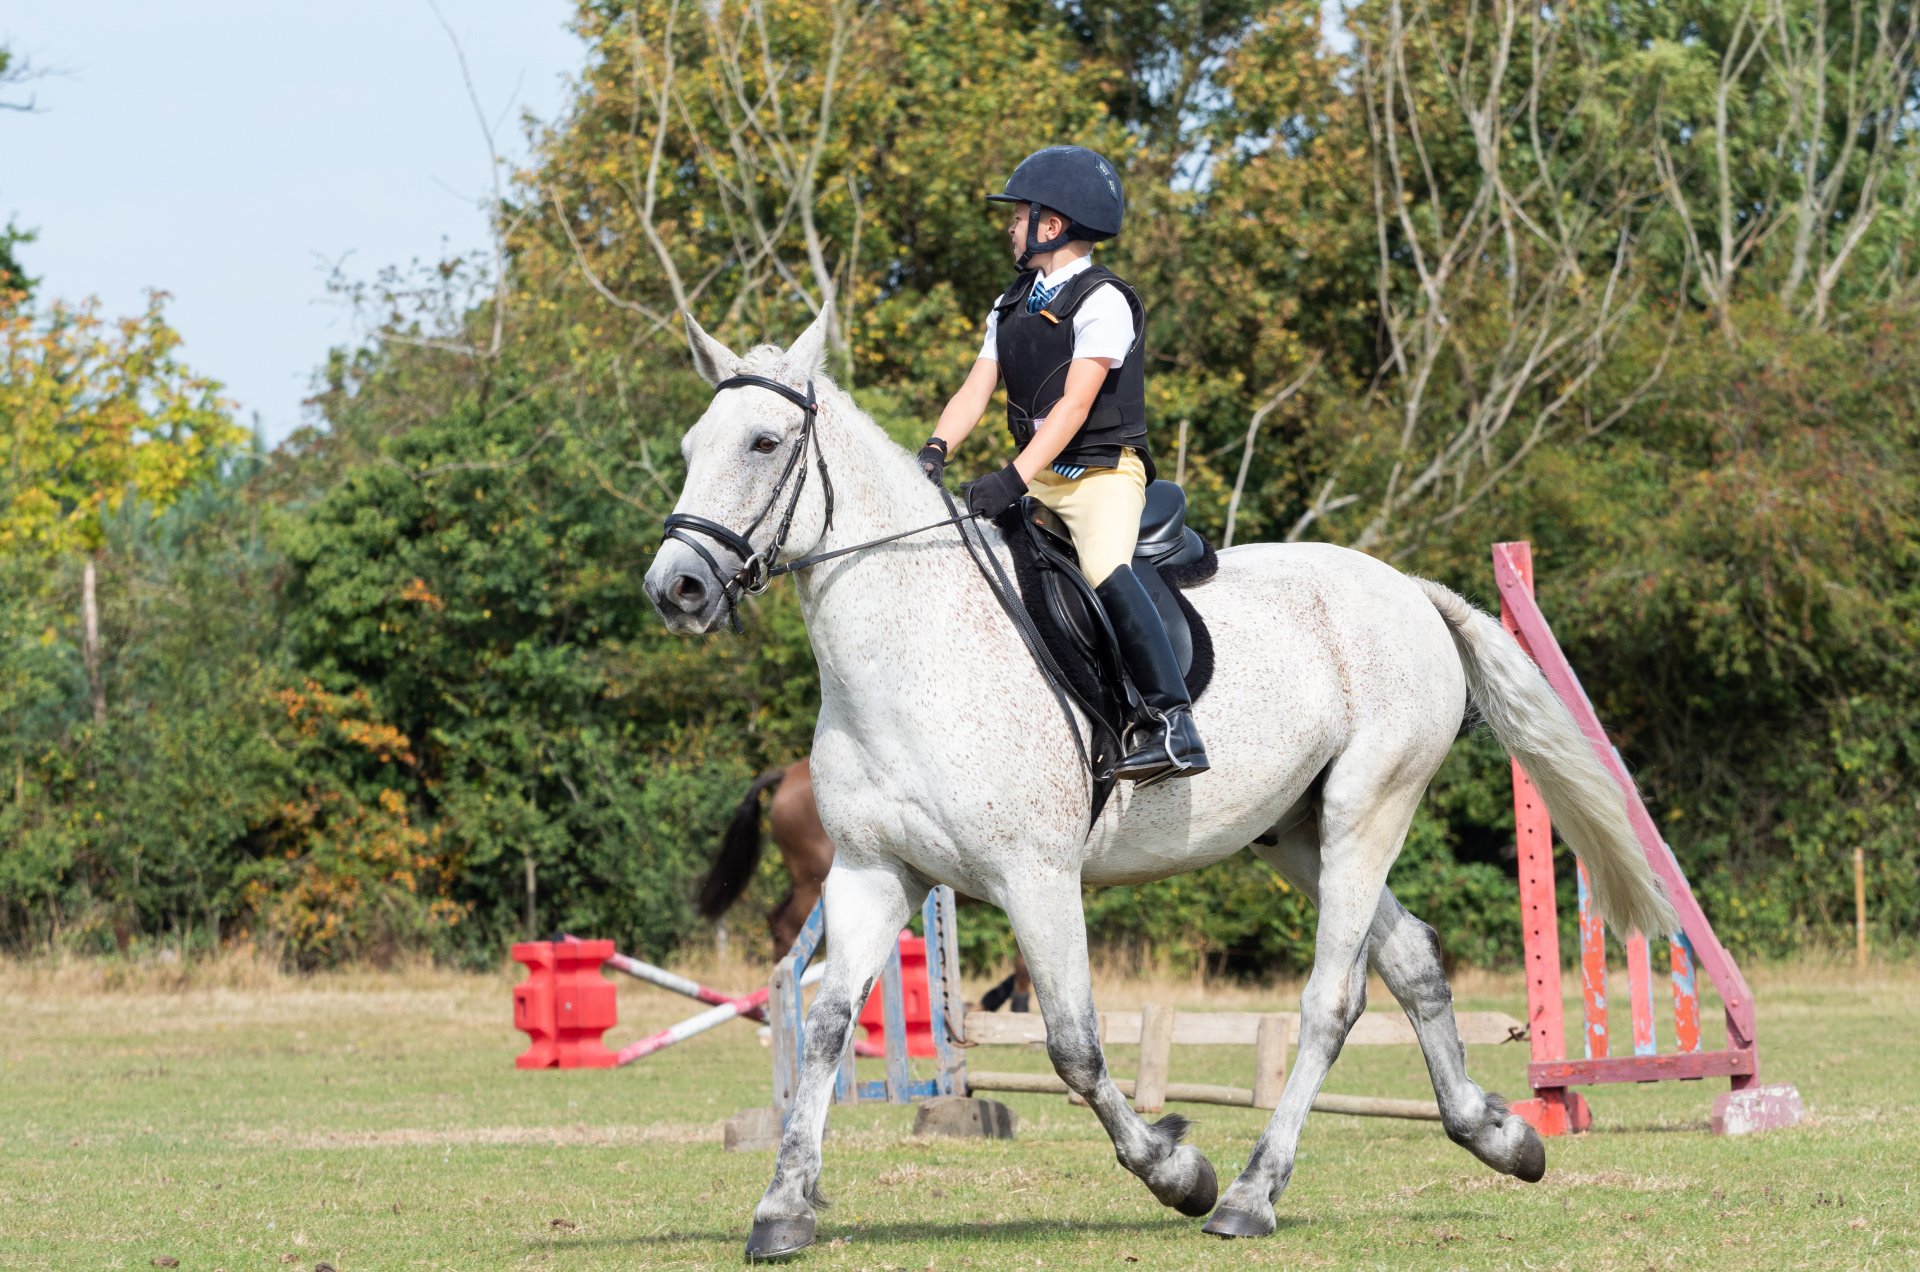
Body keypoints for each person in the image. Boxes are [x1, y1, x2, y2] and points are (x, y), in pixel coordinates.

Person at [917, 145, 1209, 785]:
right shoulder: (1012, 300)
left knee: (1105, 567)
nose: (1009, 225)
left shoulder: (1104, 300)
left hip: (1103, 476)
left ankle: (1174, 723)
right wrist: (936, 450)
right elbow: (977, 386)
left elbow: (1075, 406)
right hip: (1043, 476)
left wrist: (1012, 477)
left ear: (1052, 226)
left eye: (1018, 215)